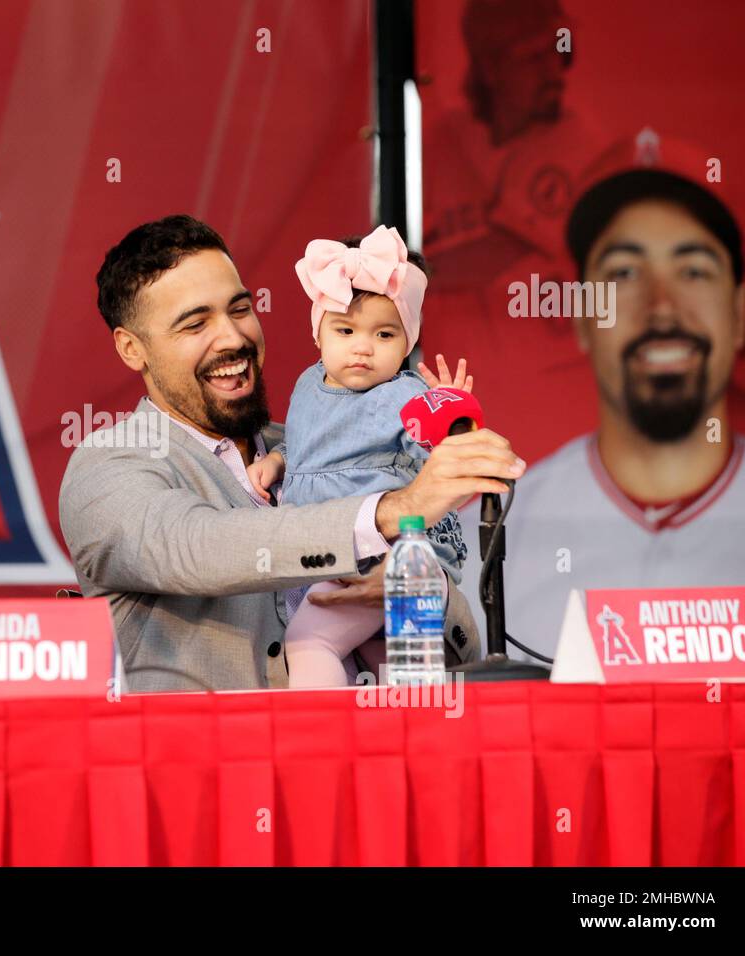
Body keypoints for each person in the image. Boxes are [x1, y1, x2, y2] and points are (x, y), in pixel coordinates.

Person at [58, 215, 525, 692]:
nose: (233, 337)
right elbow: (197, 545)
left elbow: (462, 652)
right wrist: (388, 513)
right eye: (196, 323)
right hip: (216, 762)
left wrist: (421, 586)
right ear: (132, 348)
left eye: (239, 310)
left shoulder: (312, 444)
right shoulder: (106, 467)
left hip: (378, 754)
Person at [458, 168, 745, 661]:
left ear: (737, 313)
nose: (663, 308)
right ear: (582, 319)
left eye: (694, 270)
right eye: (623, 273)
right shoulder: (490, 541)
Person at [245, 226, 473, 687]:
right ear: (319, 336)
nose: (362, 347)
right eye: (345, 330)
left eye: (385, 334)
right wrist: (280, 461)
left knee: (310, 642)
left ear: (407, 345)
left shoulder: (405, 396)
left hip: (375, 555)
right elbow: (310, 446)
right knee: (380, 658)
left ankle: (326, 746)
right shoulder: (308, 385)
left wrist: (452, 422)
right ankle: (395, 736)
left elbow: (442, 467)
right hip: (320, 551)